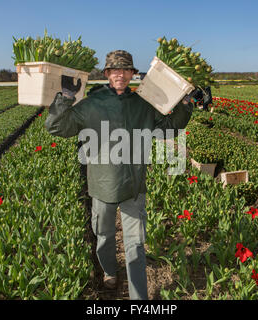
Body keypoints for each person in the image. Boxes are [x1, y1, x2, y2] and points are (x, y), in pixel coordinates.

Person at [45, 50, 198, 300]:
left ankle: (139, 299)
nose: (120, 74)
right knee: (104, 237)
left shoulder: (142, 104)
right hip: (102, 185)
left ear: (132, 74)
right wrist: (65, 97)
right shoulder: (91, 104)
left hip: (134, 186)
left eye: (126, 70)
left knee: (135, 244)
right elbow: (56, 127)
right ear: (107, 74)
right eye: (115, 70)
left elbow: (169, 129)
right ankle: (109, 272)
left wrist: (186, 104)